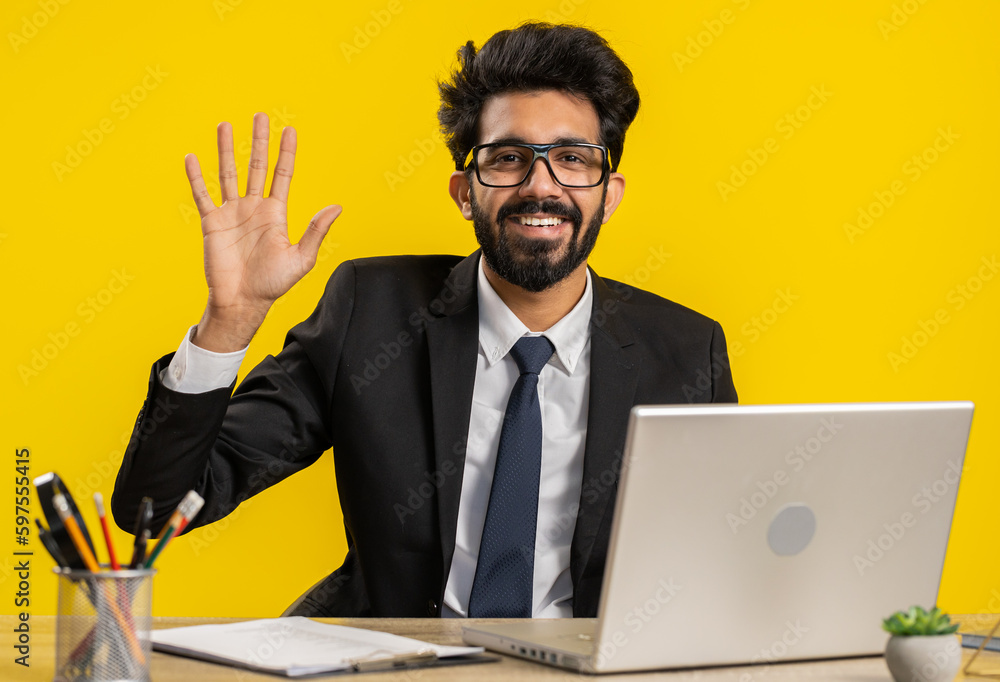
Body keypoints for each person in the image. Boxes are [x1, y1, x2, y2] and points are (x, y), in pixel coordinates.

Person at [111, 22, 737, 619]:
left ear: (609, 192)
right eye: (509, 157)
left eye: (573, 158)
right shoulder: (371, 311)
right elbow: (155, 510)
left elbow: (730, 560)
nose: (541, 186)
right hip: (396, 664)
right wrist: (229, 321)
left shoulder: (686, 352)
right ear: (465, 191)